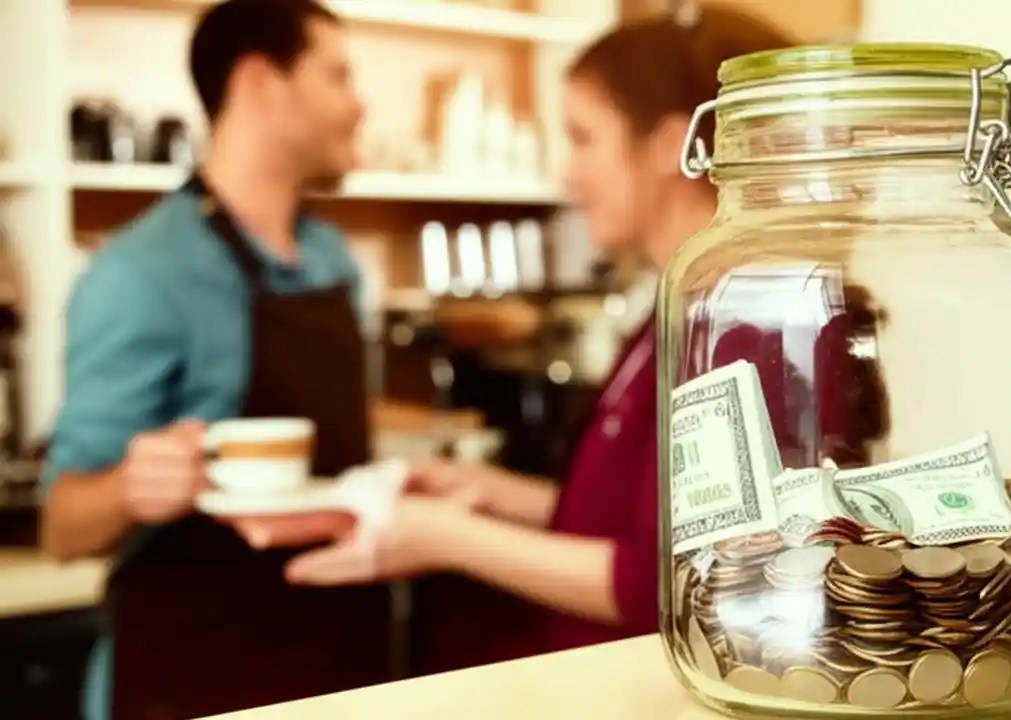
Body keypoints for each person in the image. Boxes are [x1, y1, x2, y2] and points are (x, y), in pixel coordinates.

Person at [234, 8, 794, 668]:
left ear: (672, 147)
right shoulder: (673, 307)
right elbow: (622, 518)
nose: (567, 174)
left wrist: (449, 537)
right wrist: (484, 490)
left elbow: (659, 581)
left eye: (584, 139)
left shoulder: (736, 320)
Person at [39, 1, 391, 717]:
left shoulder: (331, 258)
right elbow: (61, 526)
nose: (360, 106)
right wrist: (127, 489)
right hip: (196, 679)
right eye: (338, 76)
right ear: (262, 82)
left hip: (340, 666)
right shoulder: (139, 273)